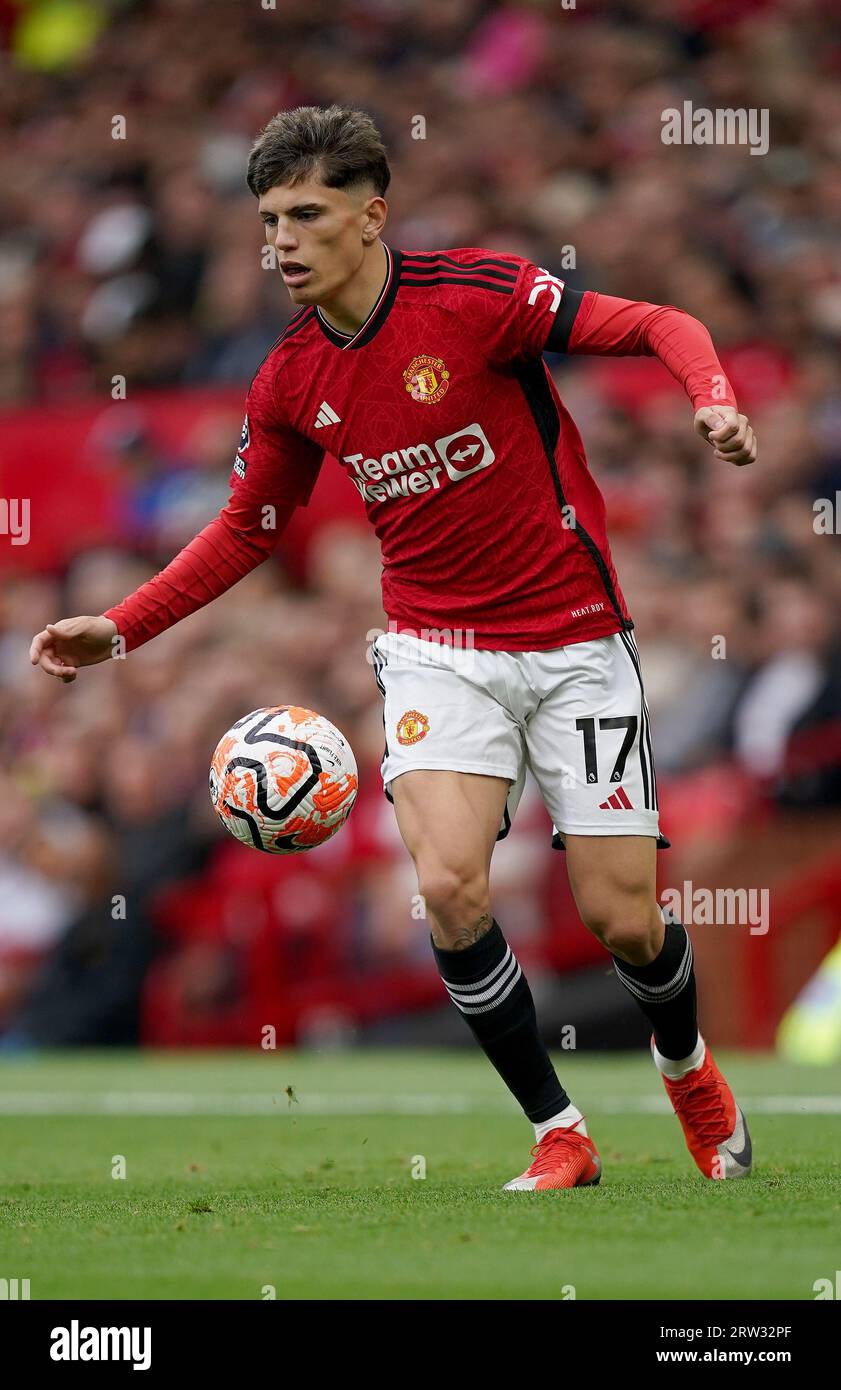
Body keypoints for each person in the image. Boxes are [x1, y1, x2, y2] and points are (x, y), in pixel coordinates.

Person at [31, 105, 757, 1190]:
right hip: (434, 649)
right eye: (268, 218)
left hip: (574, 644)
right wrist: (122, 626)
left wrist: (710, 400)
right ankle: (557, 1129)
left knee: (622, 919)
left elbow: (658, 321)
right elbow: (248, 528)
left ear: (372, 216)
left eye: (307, 214)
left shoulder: (477, 300)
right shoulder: (287, 380)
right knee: (452, 888)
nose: (280, 240)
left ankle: (687, 1067)